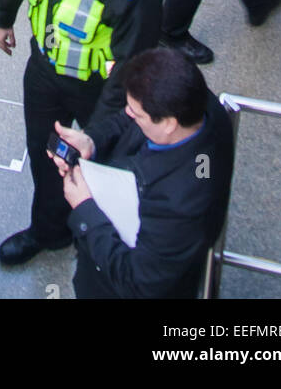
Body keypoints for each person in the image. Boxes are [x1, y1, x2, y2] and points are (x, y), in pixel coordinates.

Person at [0, 0, 163, 266]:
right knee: (45, 155)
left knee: (110, 161)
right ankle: (49, 232)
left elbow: (132, 67)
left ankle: (107, 235)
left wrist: (96, 133)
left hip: (101, 89)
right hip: (45, 71)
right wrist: (2, 17)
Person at [52, 48, 234, 300]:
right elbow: (125, 120)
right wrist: (92, 140)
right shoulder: (192, 103)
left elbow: (138, 282)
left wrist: (84, 209)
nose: (128, 113)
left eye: (137, 113)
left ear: (169, 123)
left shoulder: (182, 205)